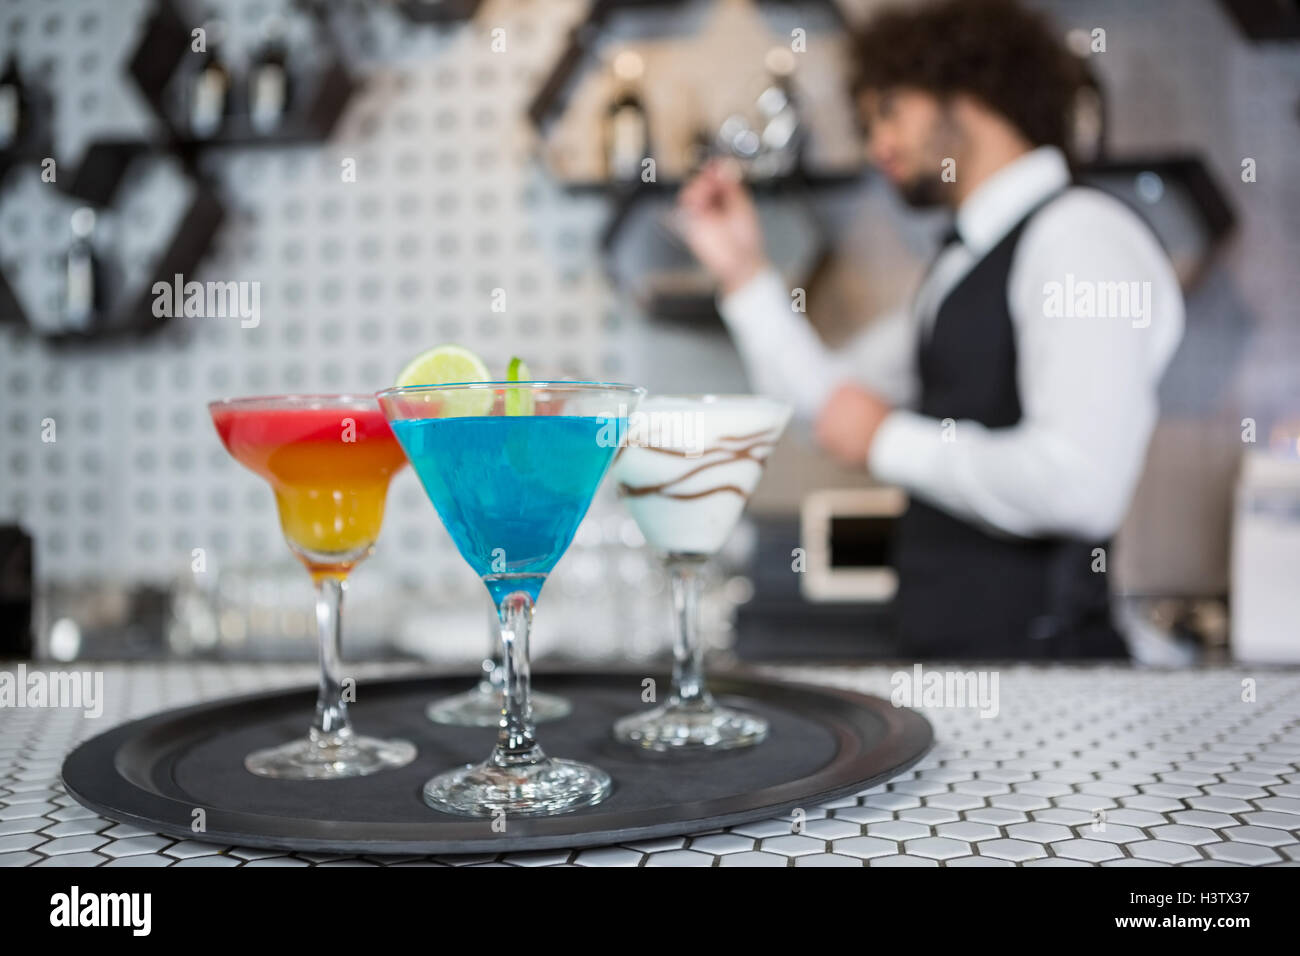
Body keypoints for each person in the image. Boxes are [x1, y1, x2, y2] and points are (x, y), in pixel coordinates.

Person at [676, 0, 1184, 660]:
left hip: (1049, 678)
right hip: (956, 661)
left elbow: (1081, 486)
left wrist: (889, 441)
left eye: (890, 111)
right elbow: (828, 408)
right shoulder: (959, 265)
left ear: (967, 92)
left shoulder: (1080, 238)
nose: (877, 144)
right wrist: (742, 272)